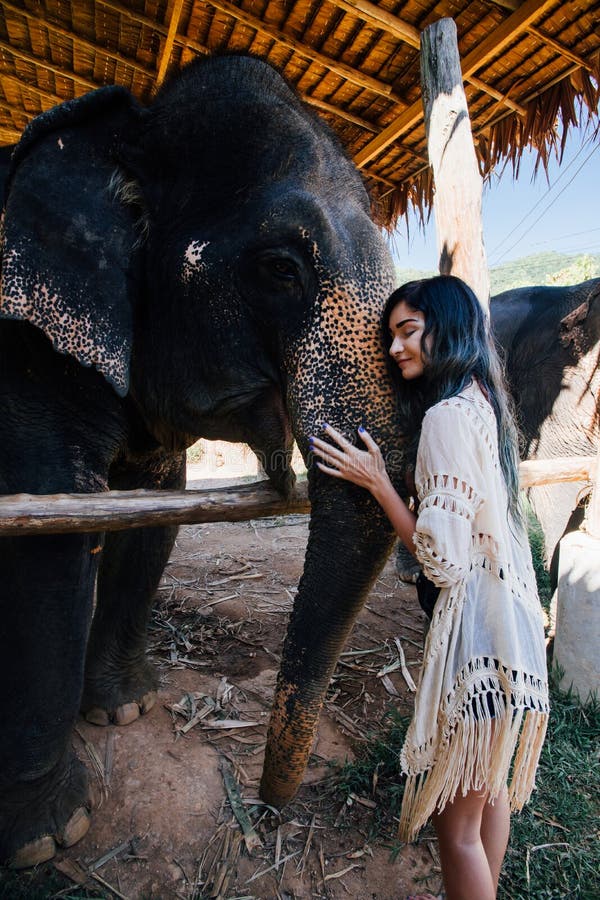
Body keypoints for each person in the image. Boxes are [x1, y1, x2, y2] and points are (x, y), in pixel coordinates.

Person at [309, 276, 549, 900]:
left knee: (457, 827)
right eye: (392, 335)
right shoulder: (483, 406)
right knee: (488, 791)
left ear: (448, 329)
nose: (395, 348)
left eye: (408, 331)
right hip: (515, 634)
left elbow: (440, 559)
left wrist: (379, 483)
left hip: (476, 640)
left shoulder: (445, 418)